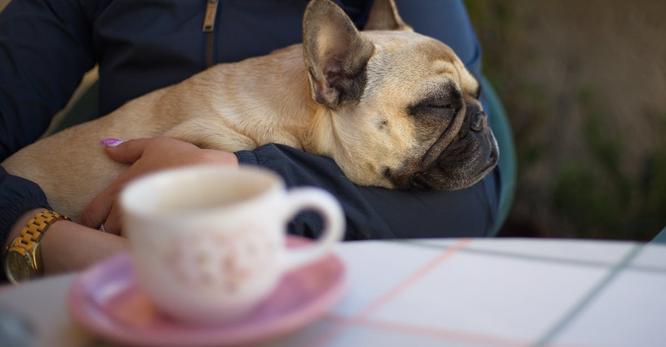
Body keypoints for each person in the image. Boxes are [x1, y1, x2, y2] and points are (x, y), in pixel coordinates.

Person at [0, 0, 499, 281]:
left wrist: (248, 180)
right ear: (330, 74)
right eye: (438, 108)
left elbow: (467, 208)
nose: (474, 123)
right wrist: (35, 231)